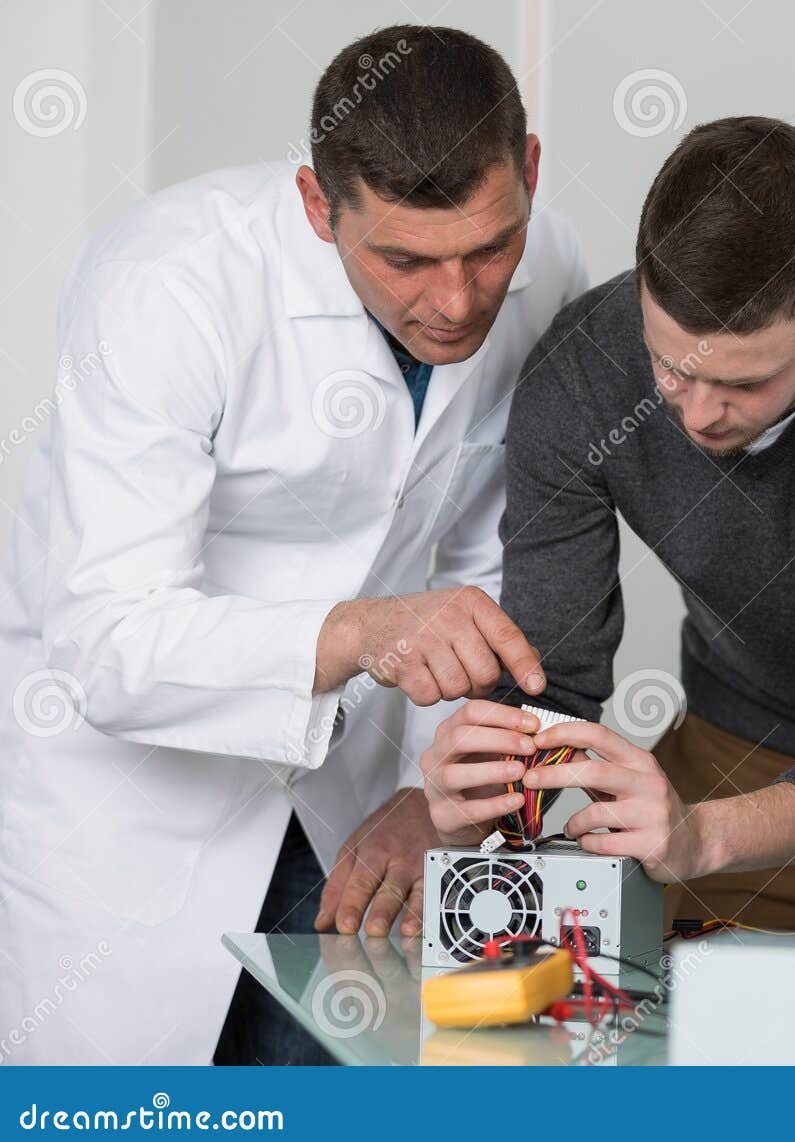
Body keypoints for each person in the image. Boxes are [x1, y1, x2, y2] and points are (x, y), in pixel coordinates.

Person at [0, 25, 585, 1064]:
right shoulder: (170, 282)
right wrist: (361, 632)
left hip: (362, 805)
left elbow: (486, 563)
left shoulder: (554, 261)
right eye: (402, 259)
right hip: (132, 809)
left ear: (529, 172)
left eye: (486, 249)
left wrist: (434, 793)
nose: (455, 302)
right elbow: (107, 640)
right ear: (319, 207)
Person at [420, 117, 795, 932]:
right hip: (739, 757)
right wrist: (471, 808)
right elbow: (551, 683)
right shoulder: (583, 373)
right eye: (670, 365)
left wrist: (705, 834)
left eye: (746, 382)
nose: (698, 413)